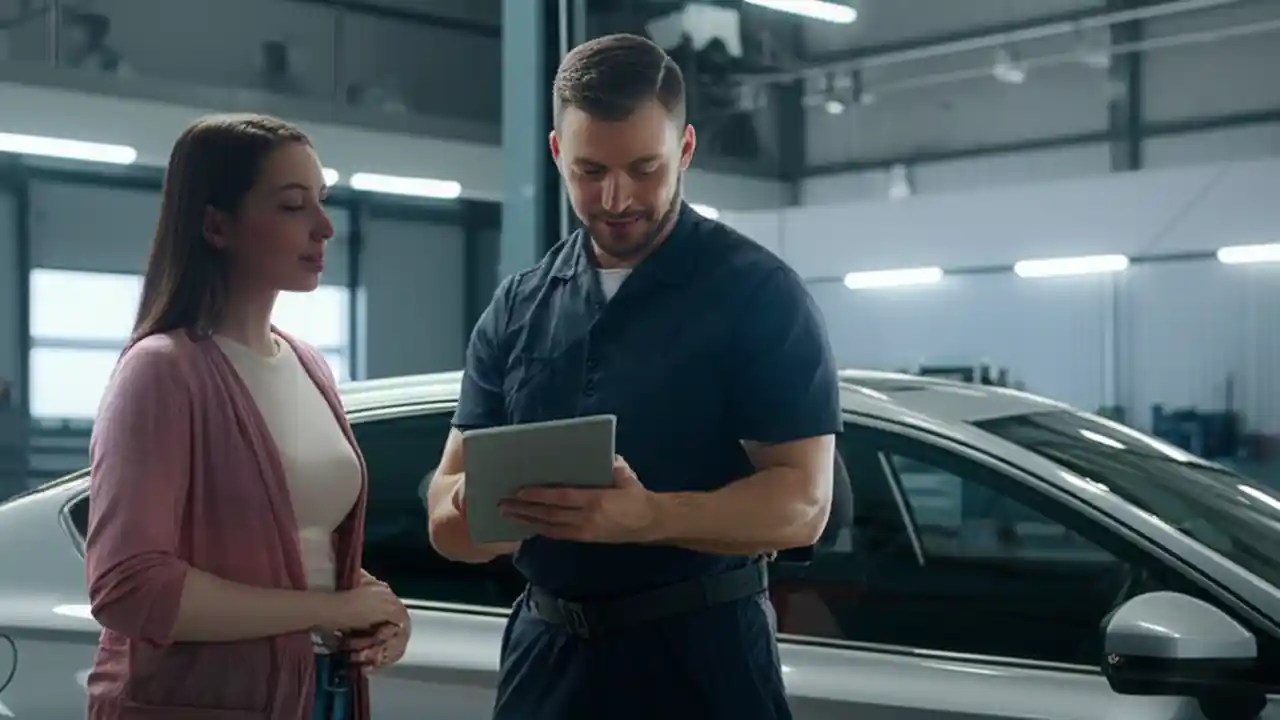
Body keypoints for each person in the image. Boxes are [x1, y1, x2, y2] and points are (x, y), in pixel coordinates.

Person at [427, 33, 841, 720]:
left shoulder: (759, 295)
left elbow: (803, 506)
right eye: (590, 172)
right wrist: (481, 512)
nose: (616, 198)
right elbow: (448, 516)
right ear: (558, 154)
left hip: (700, 664)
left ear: (684, 151)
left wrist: (647, 516)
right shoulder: (519, 306)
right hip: (545, 664)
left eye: (644, 169)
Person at [84, 114, 409, 720]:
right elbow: (129, 588)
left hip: (323, 691)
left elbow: (286, 548)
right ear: (215, 225)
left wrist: (374, 607)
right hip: (205, 701)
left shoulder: (309, 365)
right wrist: (328, 610)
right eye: (292, 206)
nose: (325, 228)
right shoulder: (161, 371)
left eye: (322, 202)